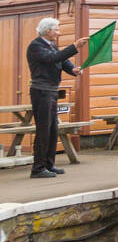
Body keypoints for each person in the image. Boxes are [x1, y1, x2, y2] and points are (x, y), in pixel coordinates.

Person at [26, 18, 88, 179]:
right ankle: (37, 169)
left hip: (52, 91)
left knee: (53, 129)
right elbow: (53, 58)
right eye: (57, 30)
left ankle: (49, 164)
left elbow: (62, 60)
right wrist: (75, 46)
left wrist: (73, 69)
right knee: (44, 129)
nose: (59, 33)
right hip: (41, 92)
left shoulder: (51, 45)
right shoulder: (36, 46)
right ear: (48, 31)